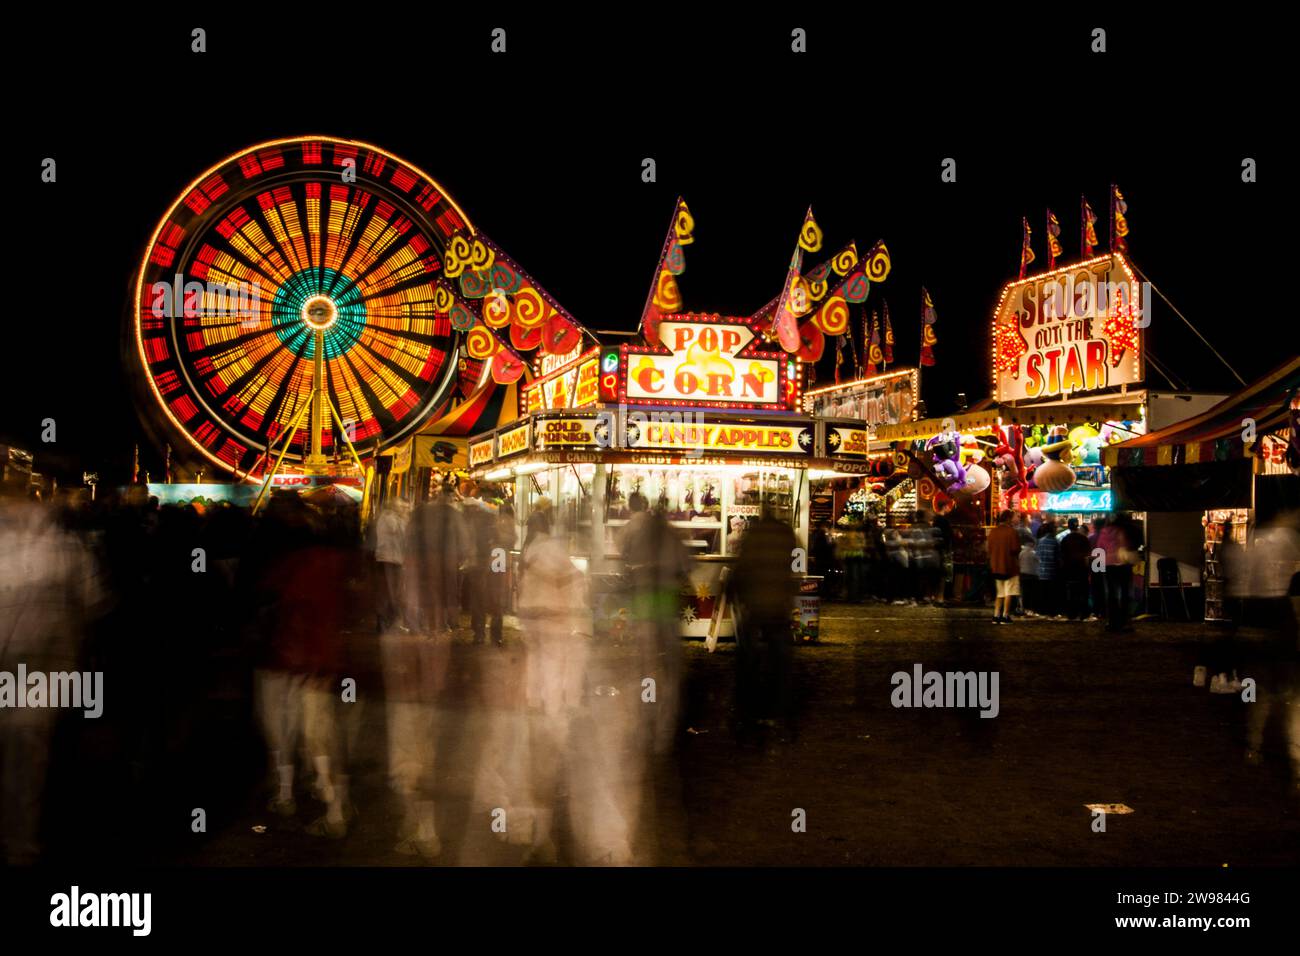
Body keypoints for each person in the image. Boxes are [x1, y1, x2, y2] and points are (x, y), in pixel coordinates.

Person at [727, 512, 799, 742]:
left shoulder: (754, 537)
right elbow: (791, 566)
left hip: (755, 605)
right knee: (780, 661)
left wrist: (734, 593)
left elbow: (742, 568)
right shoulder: (786, 534)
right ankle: (779, 713)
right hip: (778, 606)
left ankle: (747, 712)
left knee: (748, 659)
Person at [373, 498, 411, 632]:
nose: (405, 510)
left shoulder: (391, 517)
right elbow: (400, 533)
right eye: (403, 507)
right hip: (389, 559)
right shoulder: (389, 518)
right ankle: (386, 622)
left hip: (393, 559)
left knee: (392, 591)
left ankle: (388, 622)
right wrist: (405, 519)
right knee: (390, 591)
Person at [1097, 513, 1138, 632]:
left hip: (1108, 565)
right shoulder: (1123, 530)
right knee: (1125, 592)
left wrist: (1098, 566)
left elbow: (1100, 548)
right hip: (1123, 564)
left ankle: (1112, 621)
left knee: (1111, 593)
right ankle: (1124, 621)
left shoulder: (1104, 532)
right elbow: (1126, 545)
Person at [986, 509, 1021, 624]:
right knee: (1008, 592)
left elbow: (989, 549)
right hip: (1009, 566)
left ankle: (996, 615)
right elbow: (1015, 549)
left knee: (999, 593)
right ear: (1008, 519)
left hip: (996, 566)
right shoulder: (1011, 532)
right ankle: (1005, 615)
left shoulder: (993, 532)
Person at [1058, 517, 1092, 621]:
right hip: (1081, 569)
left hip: (1068, 569)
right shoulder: (1083, 539)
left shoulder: (1065, 539)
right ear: (1077, 526)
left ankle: (1071, 614)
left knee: (1071, 592)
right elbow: (1087, 556)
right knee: (1083, 591)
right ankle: (1083, 614)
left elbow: (1062, 556)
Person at [1035, 520, 1062, 618]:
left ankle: (1042, 611)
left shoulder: (1040, 541)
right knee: (1051, 594)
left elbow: (1037, 556)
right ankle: (1051, 612)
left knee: (1043, 593)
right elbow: (1058, 558)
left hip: (1041, 571)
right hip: (1051, 571)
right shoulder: (1055, 542)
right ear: (1052, 530)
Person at [1019, 538, 1039, 617]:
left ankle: (1024, 608)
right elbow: (1038, 563)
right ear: (1032, 545)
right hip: (1032, 575)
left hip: (1023, 575)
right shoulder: (1034, 553)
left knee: (1024, 593)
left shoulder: (1021, 553)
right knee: (1032, 593)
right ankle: (1031, 609)